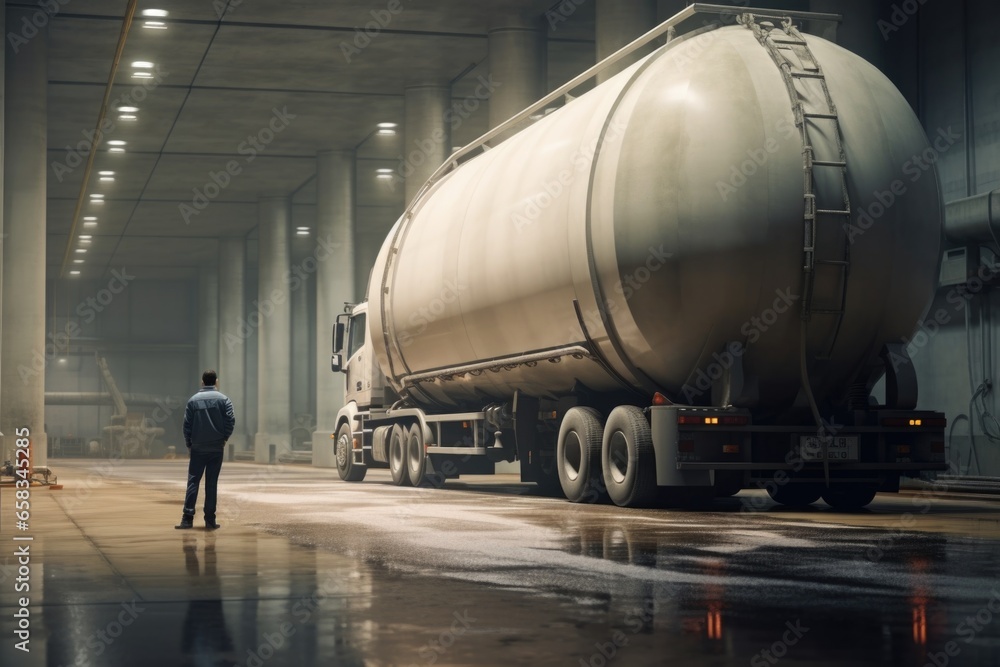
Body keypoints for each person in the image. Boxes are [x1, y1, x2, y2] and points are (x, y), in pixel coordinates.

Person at [177, 370, 235, 530]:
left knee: (193, 481)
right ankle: (210, 520)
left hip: (198, 448)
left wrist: (189, 443)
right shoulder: (225, 400)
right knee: (211, 483)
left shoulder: (193, 401)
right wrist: (224, 438)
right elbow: (231, 421)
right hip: (216, 447)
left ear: (202, 382)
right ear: (216, 381)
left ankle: (187, 519)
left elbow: (186, 425)